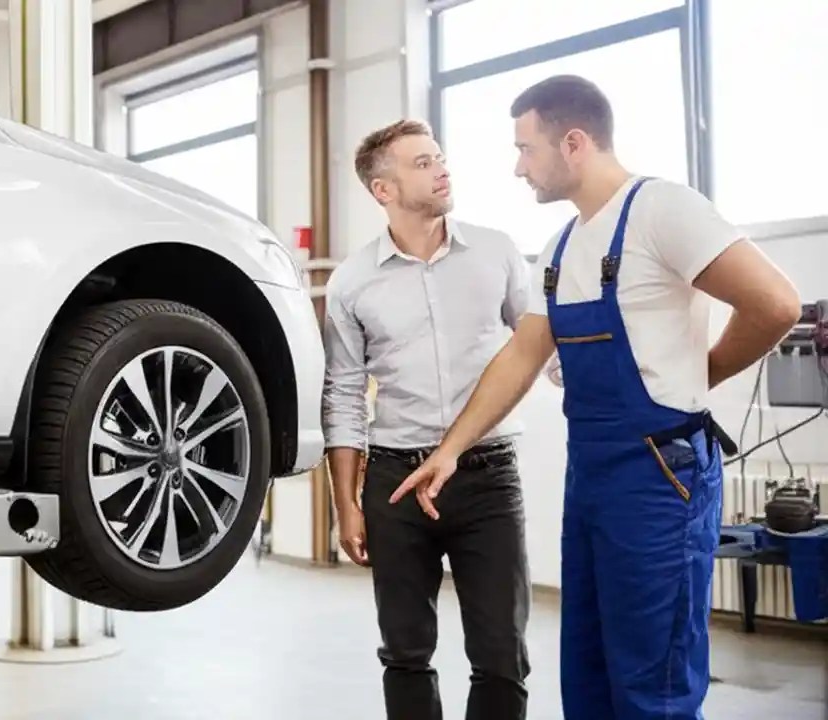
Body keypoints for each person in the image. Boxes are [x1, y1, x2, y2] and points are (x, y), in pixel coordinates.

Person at [391, 75, 802, 720]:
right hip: (592, 475)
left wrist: (703, 376)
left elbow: (776, 303)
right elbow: (522, 355)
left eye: (526, 148)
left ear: (574, 142)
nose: (518, 166)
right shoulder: (560, 250)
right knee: (588, 668)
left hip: (660, 474)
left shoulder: (664, 209)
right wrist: (452, 448)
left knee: (652, 679)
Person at [322, 118, 533, 720]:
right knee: (406, 651)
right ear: (382, 190)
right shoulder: (352, 281)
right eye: (422, 163)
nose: (442, 169)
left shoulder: (496, 252)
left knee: (501, 652)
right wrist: (347, 502)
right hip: (394, 482)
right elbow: (342, 394)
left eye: (440, 157)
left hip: (488, 475)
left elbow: (541, 349)